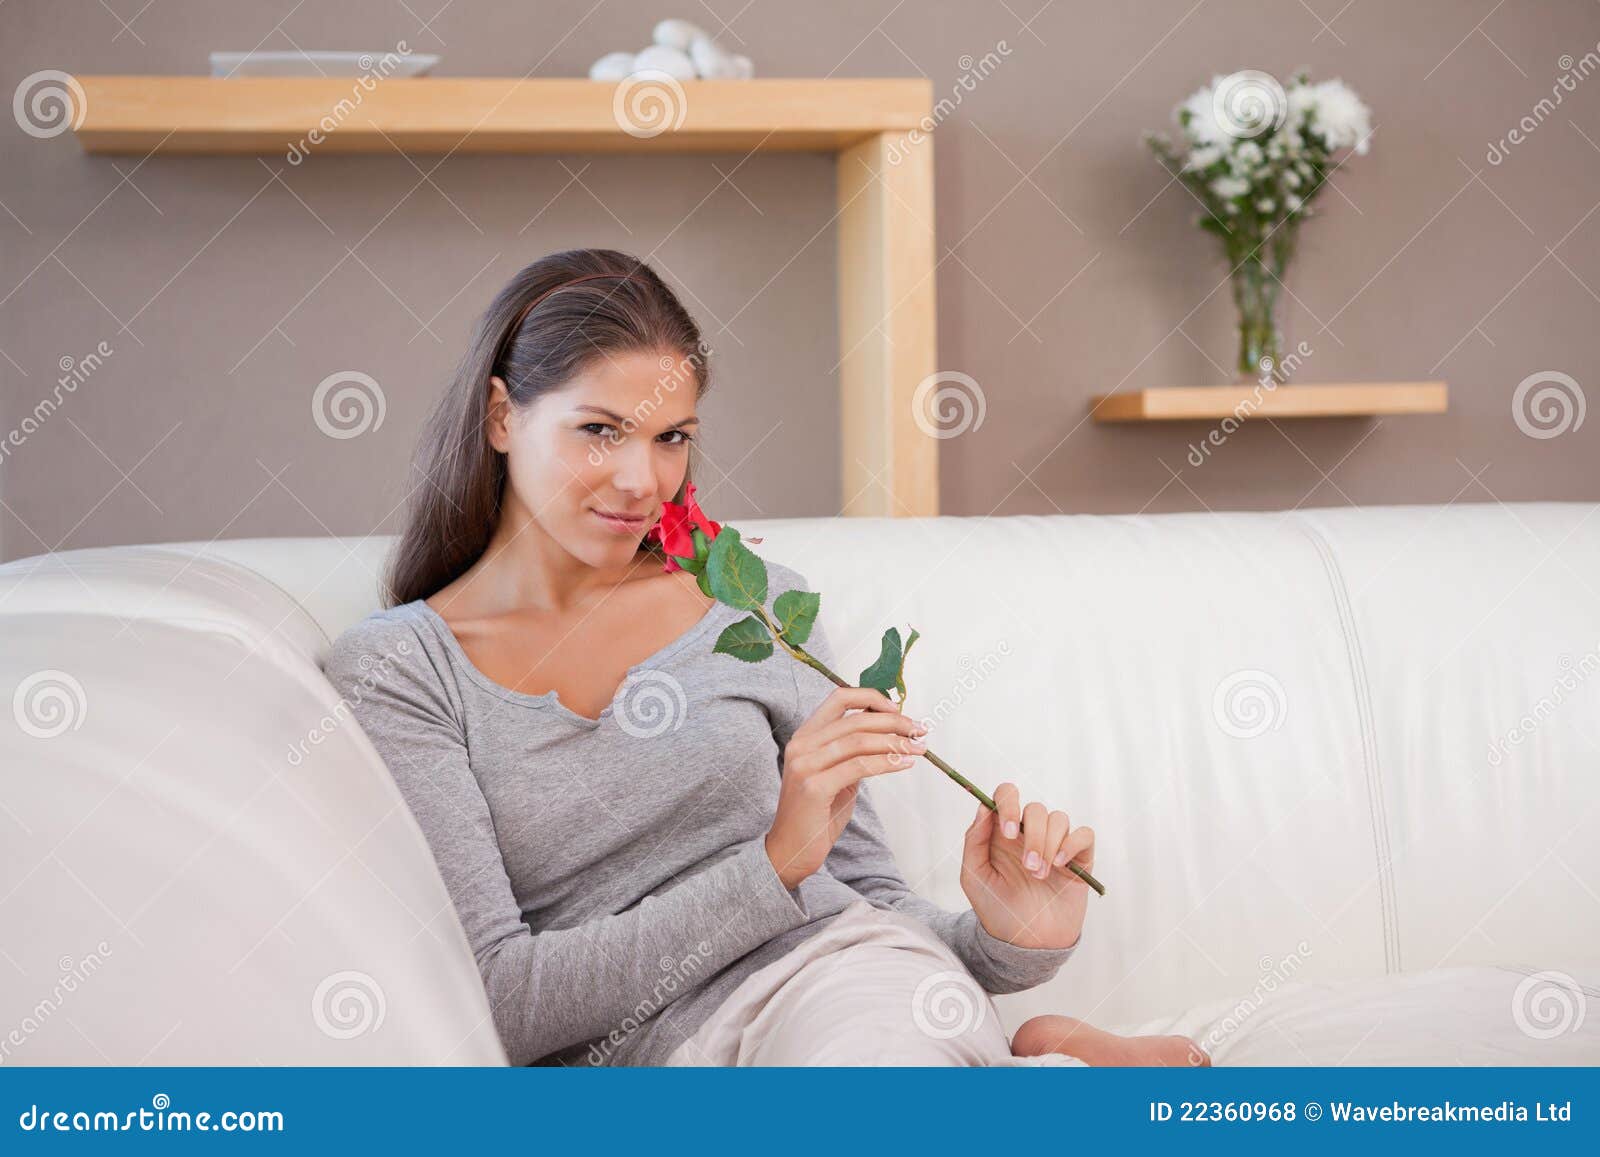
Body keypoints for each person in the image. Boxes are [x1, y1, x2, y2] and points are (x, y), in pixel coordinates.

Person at [321, 248, 1210, 1068]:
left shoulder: (754, 609)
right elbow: (505, 999)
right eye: (601, 430)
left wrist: (1008, 941)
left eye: (671, 437)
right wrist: (776, 859)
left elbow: (862, 891)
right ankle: (1056, 1076)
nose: (642, 481)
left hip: (840, 988)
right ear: (502, 414)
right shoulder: (402, 672)